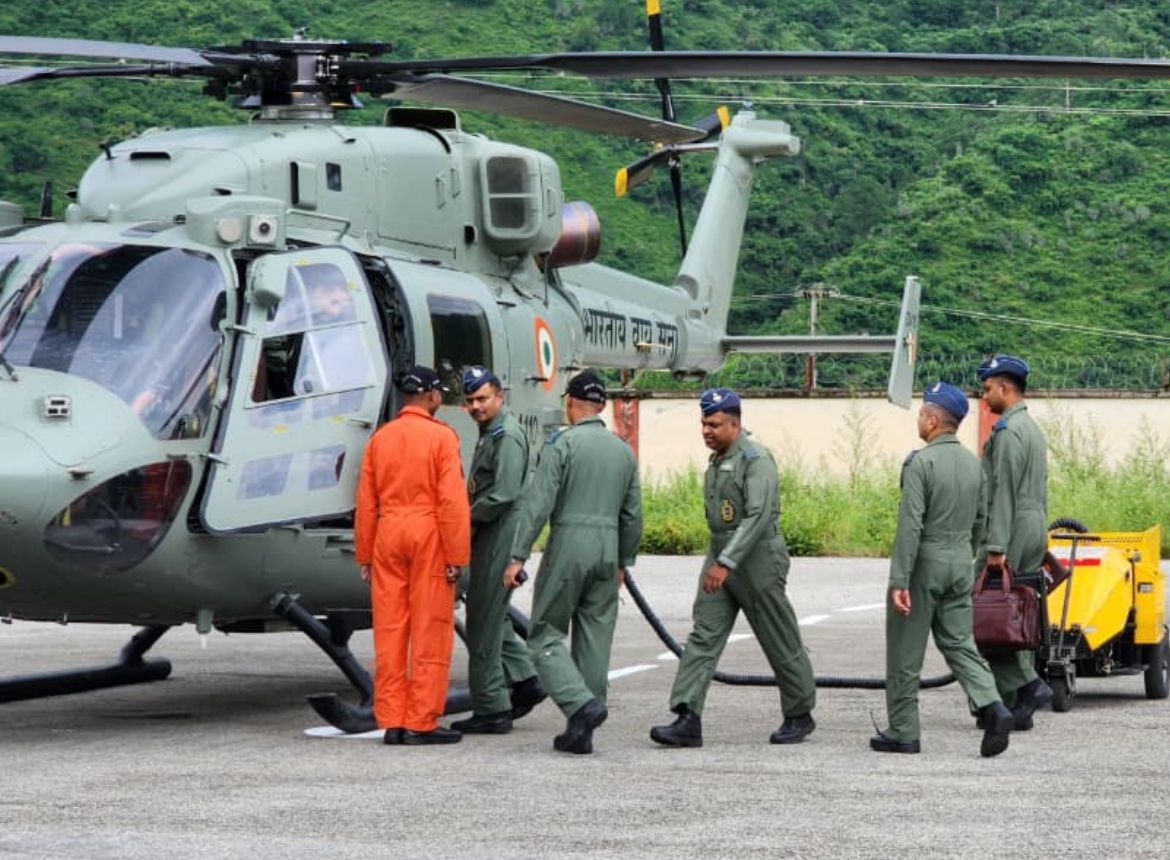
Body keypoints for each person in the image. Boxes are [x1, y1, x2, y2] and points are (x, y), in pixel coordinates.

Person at [651, 388, 816, 748]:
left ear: (735, 423)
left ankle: (800, 712)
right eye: (704, 424)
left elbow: (757, 517)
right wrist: (720, 559)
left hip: (755, 557)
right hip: (721, 553)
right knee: (704, 635)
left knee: (778, 637)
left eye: (714, 424)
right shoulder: (719, 458)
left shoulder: (756, 460)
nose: (706, 431)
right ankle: (686, 715)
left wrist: (726, 562)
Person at [502, 370, 642, 755]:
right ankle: (582, 730)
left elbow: (538, 504)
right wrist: (622, 561)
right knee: (595, 638)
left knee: (544, 633)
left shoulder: (562, 444)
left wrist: (517, 555)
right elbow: (632, 514)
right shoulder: (622, 450)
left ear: (570, 402)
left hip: (570, 542)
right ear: (601, 406)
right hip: (608, 548)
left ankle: (580, 705)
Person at [871, 382, 1014, 757]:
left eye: (921, 413)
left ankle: (903, 730)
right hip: (959, 561)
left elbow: (910, 526)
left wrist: (900, 579)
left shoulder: (921, 462)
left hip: (924, 563)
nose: (919, 419)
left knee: (905, 650)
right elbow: (982, 519)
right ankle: (993, 706)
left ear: (933, 421)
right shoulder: (973, 463)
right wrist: (966, 555)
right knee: (960, 643)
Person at [355, 365, 471, 745]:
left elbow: (366, 501)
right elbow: (452, 502)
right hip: (428, 535)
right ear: (433, 395)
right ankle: (421, 721)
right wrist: (457, 555)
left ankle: (391, 721)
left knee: (389, 631)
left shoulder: (381, 438)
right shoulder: (442, 438)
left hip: (388, 533)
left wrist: (365, 556)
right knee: (430, 628)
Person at [451, 366, 546, 735]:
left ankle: (491, 708)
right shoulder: (491, 432)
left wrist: (463, 519)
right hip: (493, 532)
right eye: (470, 400)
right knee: (492, 614)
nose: (476, 406)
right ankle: (524, 680)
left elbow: (503, 494)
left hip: (499, 533)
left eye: (482, 399)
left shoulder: (506, 436)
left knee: (482, 626)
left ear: (499, 397)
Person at [975, 354, 1053, 730]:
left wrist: (995, 545)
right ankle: (1017, 699)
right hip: (1033, 522)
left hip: (1012, 527)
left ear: (1005, 388)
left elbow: (1002, 490)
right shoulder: (1032, 429)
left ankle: (1025, 687)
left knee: (987, 614)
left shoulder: (1007, 432)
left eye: (988, 388)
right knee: (1015, 614)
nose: (984, 395)